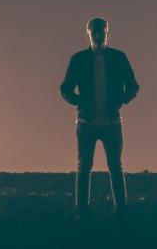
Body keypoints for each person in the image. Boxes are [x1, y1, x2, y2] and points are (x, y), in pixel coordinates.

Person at [59, 17, 140, 218]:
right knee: (85, 165)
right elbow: (65, 89)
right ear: (88, 35)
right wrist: (79, 102)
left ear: (107, 34)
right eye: (94, 32)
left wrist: (121, 100)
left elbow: (133, 86)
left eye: (101, 32)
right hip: (87, 123)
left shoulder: (118, 58)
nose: (97, 35)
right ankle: (82, 210)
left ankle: (121, 210)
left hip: (111, 122)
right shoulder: (78, 60)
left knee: (114, 165)